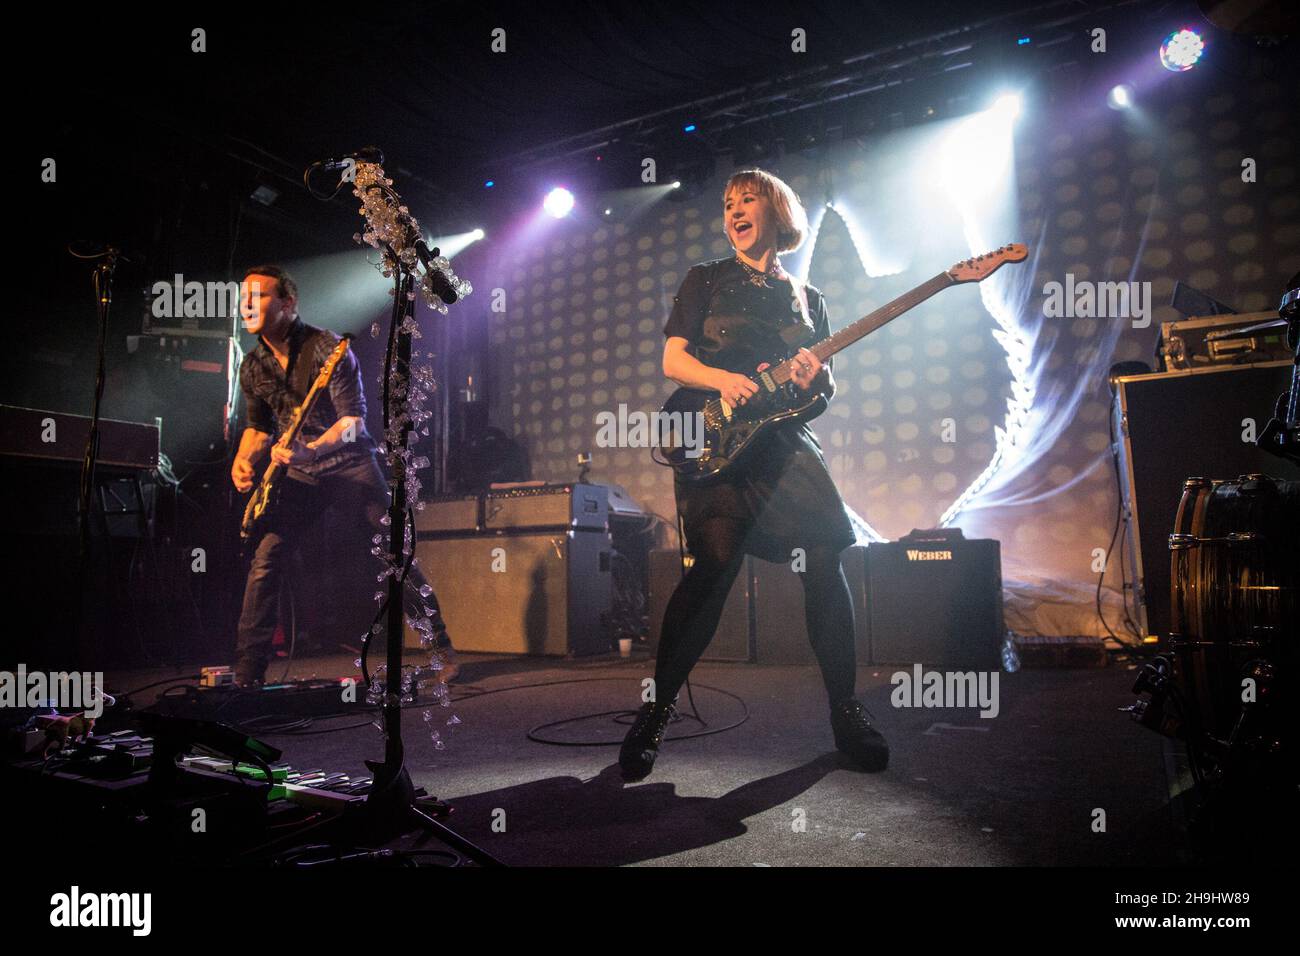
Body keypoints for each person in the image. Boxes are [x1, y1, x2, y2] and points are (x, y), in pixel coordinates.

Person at [619, 170, 889, 780]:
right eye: (728, 203)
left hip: (783, 440)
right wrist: (724, 381)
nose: (735, 210)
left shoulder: (807, 299)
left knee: (825, 557)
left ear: (777, 211)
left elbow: (820, 392)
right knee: (714, 566)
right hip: (712, 431)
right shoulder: (706, 279)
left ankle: (847, 712)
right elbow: (673, 360)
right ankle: (656, 712)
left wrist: (813, 381)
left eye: (749, 200)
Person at [230, 265, 456, 686]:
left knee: (392, 553)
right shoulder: (253, 364)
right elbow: (258, 428)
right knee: (266, 557)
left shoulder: (327, 348)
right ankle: (248, 673)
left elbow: (352, 422)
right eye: (243, 298)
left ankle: (440, 647)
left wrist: (311, 448)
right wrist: (243, 459)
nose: (246, 304)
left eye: (258, 296)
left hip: (349, 464)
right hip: (297, 475)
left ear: (288, 302)